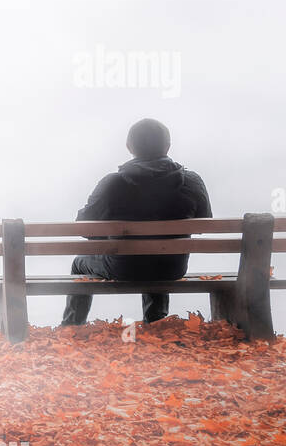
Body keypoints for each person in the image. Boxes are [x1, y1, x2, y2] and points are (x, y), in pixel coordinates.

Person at [59, 118, 211, 326]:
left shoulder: (113, 183)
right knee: (160, 253)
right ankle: (155, 321)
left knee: (79, 263)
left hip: (123, 267)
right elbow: (203, 223)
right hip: (171, 267)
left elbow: (84, 227)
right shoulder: (191, 181)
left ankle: (72, 326)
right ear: (167, 146)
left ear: (129, 147)